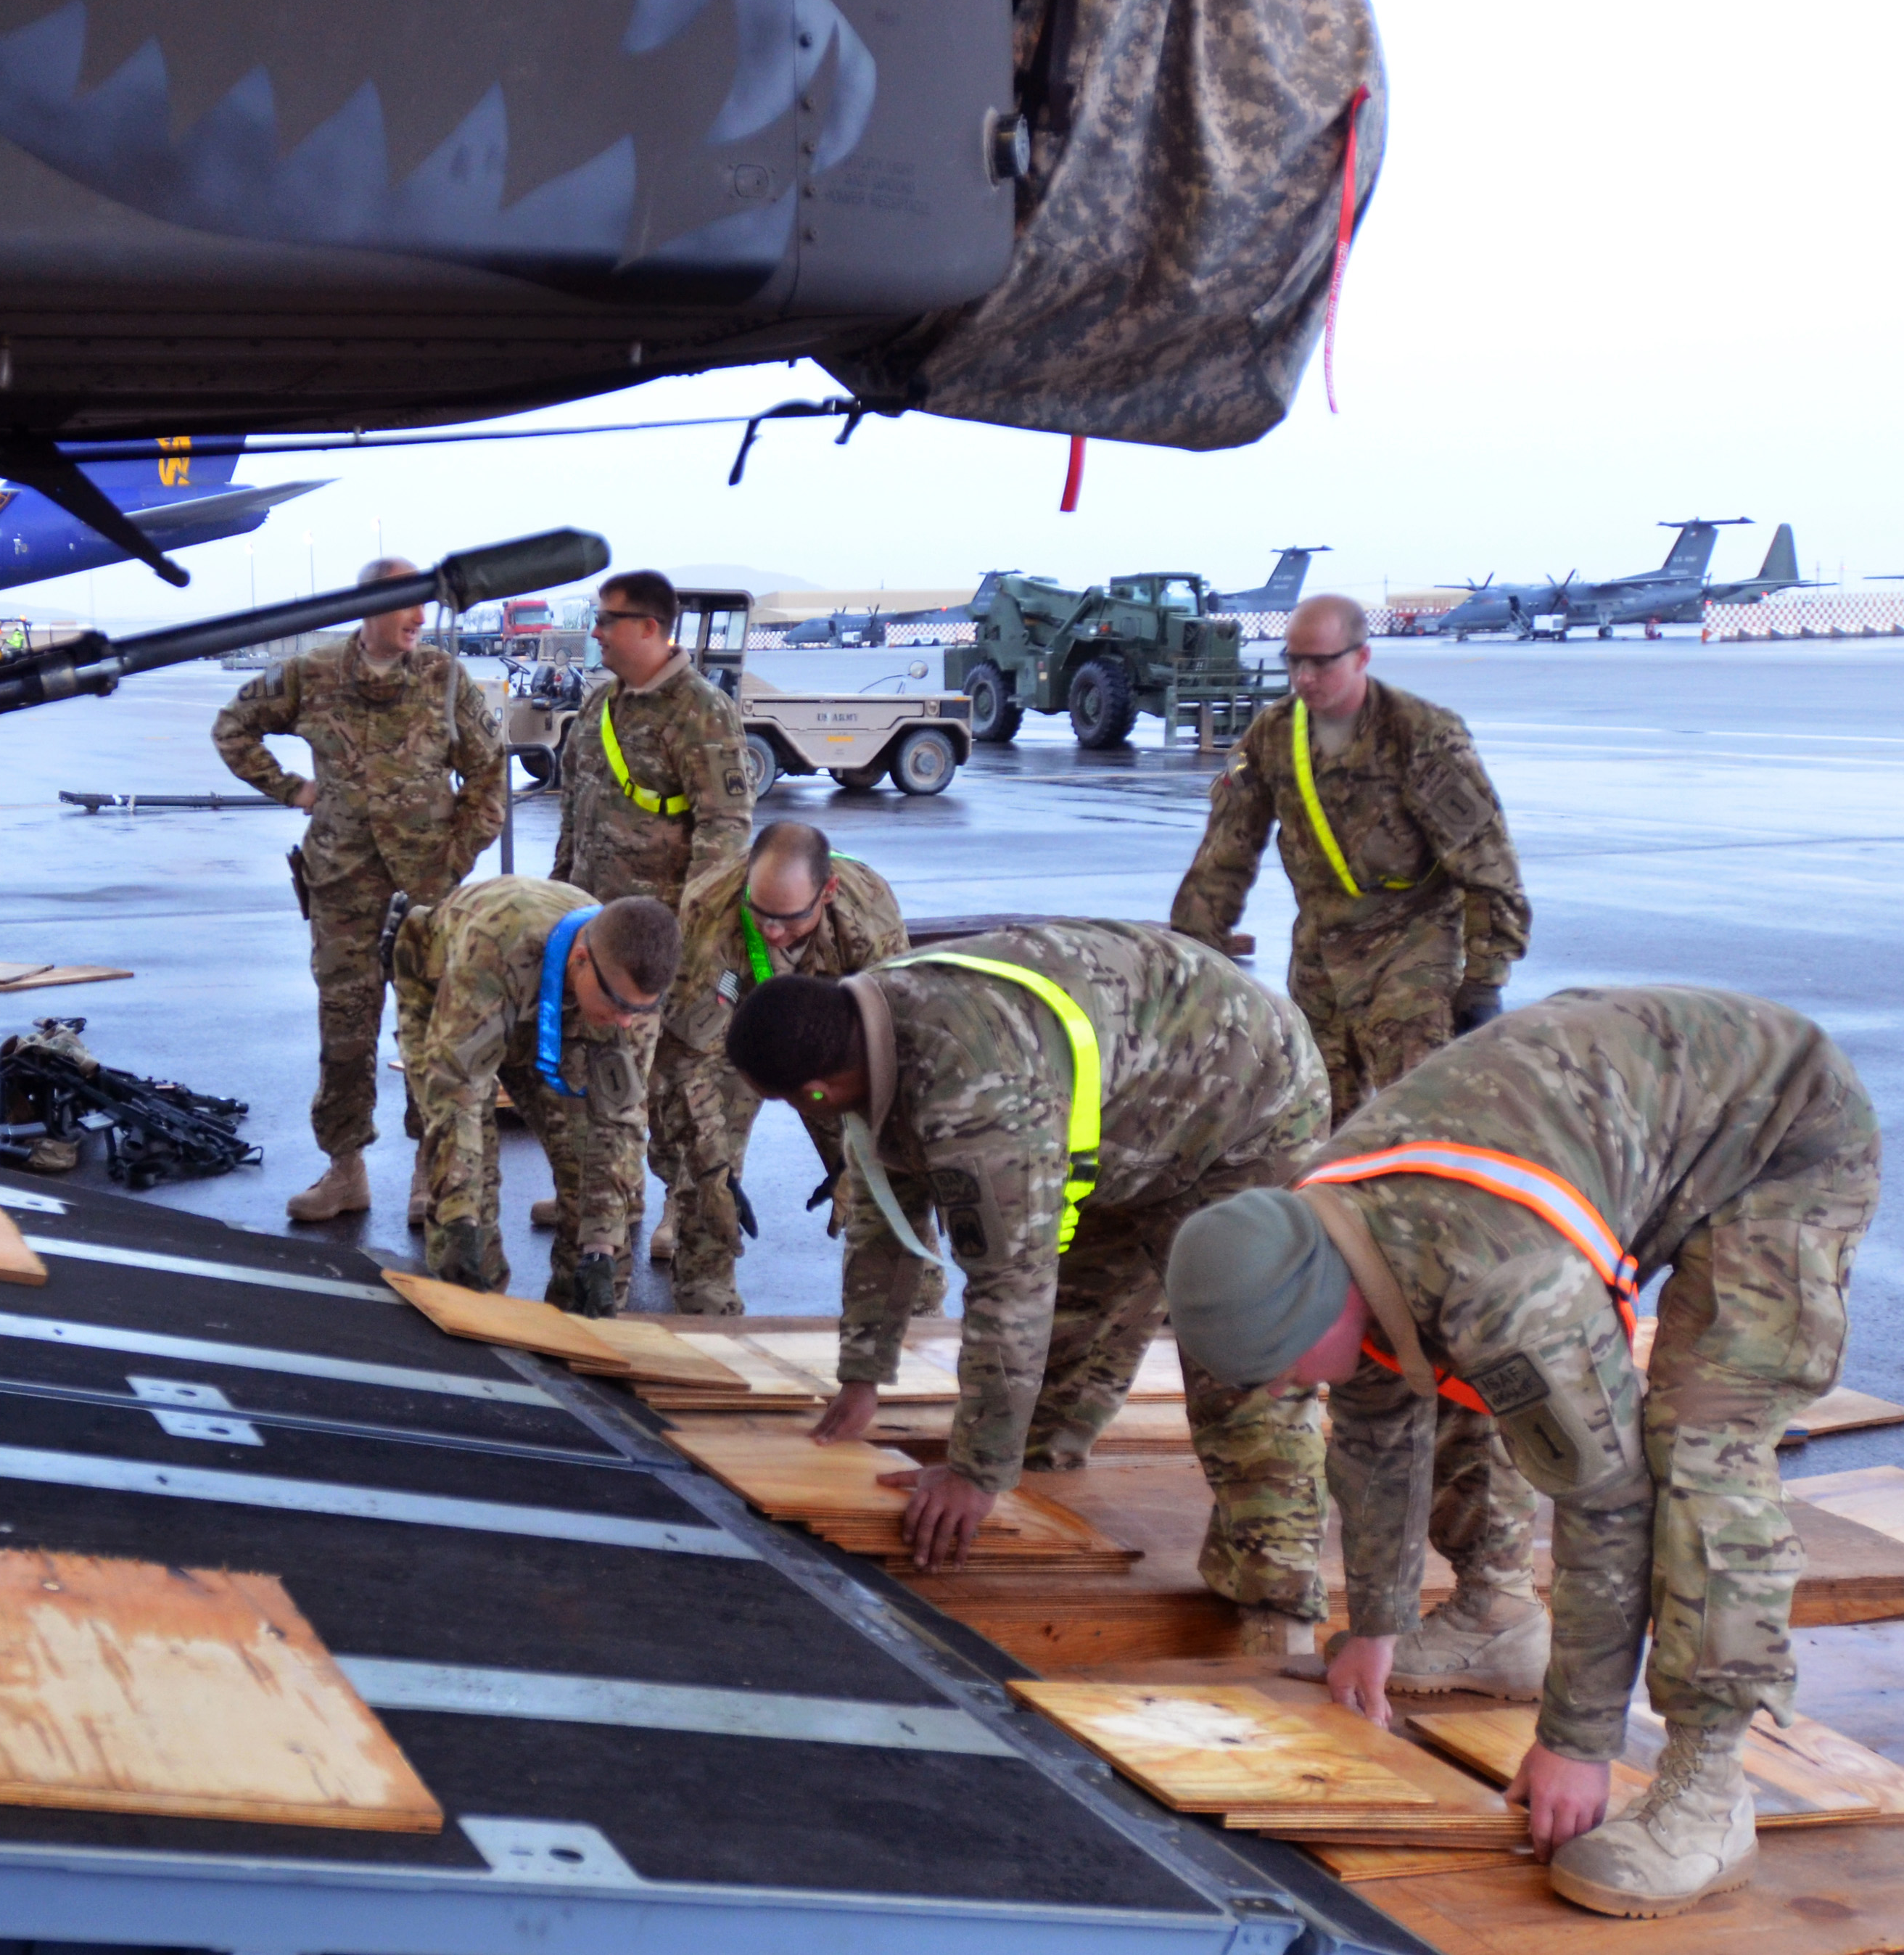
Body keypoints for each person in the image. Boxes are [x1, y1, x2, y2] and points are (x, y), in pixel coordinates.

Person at [1164, 988, 1879, 1918]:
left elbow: (1605, 1503)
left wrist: (1577, 1741)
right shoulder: (1322, 1229)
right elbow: (1376, 1425)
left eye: (1277, 1369)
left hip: (1780, 1136)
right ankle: (1496, 1617)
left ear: (1319, 1306)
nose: (1275, 1394)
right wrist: (1375, 1626)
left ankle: (1707, 1789)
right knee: (1435, 1360)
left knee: (1699, 1448)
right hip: (1634, 1114)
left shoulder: (1503, 1287)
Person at [724, 924, 1333, 1650]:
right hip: (1121, 1120)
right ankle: (1048, 1492)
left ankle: (1277, 1601)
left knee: (1238, 1362)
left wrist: (974, 1472)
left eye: (791, 1103)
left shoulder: (973, 1096)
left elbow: (1010, 1291)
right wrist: (863, 1375)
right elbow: (884, 1221)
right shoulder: (864, 1026)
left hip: (1248, 1111)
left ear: (818, 1090)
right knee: (1067, 1349)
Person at [1170, 591, 1546, 1697]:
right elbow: (1227, 848)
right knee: (1317, 1164)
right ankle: (1325, 1310)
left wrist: (1484, 982)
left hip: (1413, 952)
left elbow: (1489, 863)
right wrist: (1196, 950)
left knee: (1416, 1169)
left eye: (1321, 664)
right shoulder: (1273, 738)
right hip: (1322, 955)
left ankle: (1411, 1339)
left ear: (1362, 657)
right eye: (1291, 663)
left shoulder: (1421, 736)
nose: (1304, 681)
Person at [215, 558, 506, 1222]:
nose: (420, 618)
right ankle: (345, 1170)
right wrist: (292, 788)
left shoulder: (443, 678)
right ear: (371, 606)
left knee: (429, 1032)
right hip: (341, 886)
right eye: (407, 604)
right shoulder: (312, 673)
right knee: (344, 1030)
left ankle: (429, 1173)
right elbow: (232, 727)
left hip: (426, 891)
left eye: (425, 605)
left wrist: (454, 858)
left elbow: (490, 774)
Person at [541, 568, 749, 1238]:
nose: (597, 632)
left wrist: (691, 935)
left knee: (675, 1081)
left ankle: (677, 1205)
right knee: (597, 1069)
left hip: (663, 943)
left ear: (651, 628)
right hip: (595, 934)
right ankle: (608, 1196)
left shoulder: (701, 710)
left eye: (608, 620)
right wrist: (558, 901)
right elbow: (574, 812)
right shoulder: (600, 707)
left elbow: (724, 829)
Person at [650, 820, 908, 1313]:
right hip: (732, 1032)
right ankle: (706, 1297)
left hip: (829, 1038)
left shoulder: (869, 913)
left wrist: (861, 1156)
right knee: (707, 1176)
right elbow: (687, 1059)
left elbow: (892, 1051)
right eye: (760, 912)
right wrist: (713, 1169)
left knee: (888, 1174)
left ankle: (911, 1306)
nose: (770, 931)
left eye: (788, 920)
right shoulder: (710, 907)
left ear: (827, 892)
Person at [391, 878, 678, 1314]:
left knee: (589, 1177)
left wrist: (599, 1250)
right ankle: (477, 1318)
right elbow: (457, 1098)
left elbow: (617, 1125)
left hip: (555, 1009)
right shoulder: (490, 953)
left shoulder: (629, 997)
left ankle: (572, 1323)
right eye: (621, 1006)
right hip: (448, 992)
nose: (626, 1022)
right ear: (580, 961)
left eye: (638, 1009)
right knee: (468, 1204)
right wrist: (460, 1219)